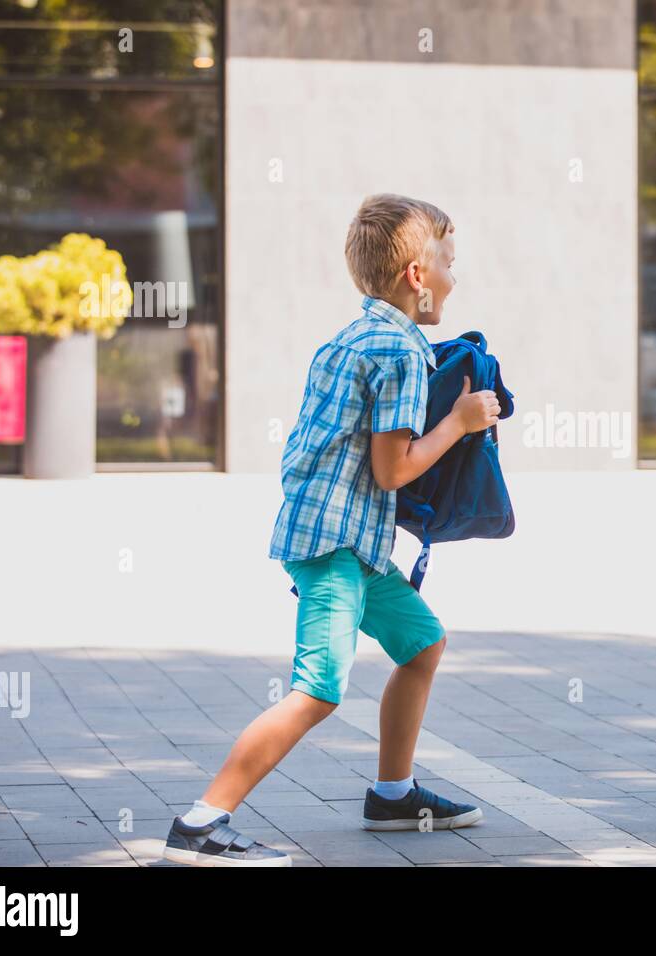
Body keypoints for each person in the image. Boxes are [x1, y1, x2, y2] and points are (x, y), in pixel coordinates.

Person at [163, 194, 500, 865]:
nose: (455, 279)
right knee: (319, 687)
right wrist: (460, 423)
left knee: (423, 644)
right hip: (335, 543)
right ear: (417, 276)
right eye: (450, 264)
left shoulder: (350, 336)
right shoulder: (401, 351)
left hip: (344, 537)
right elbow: (392, 468)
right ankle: (202, 821)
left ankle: (393, 796)